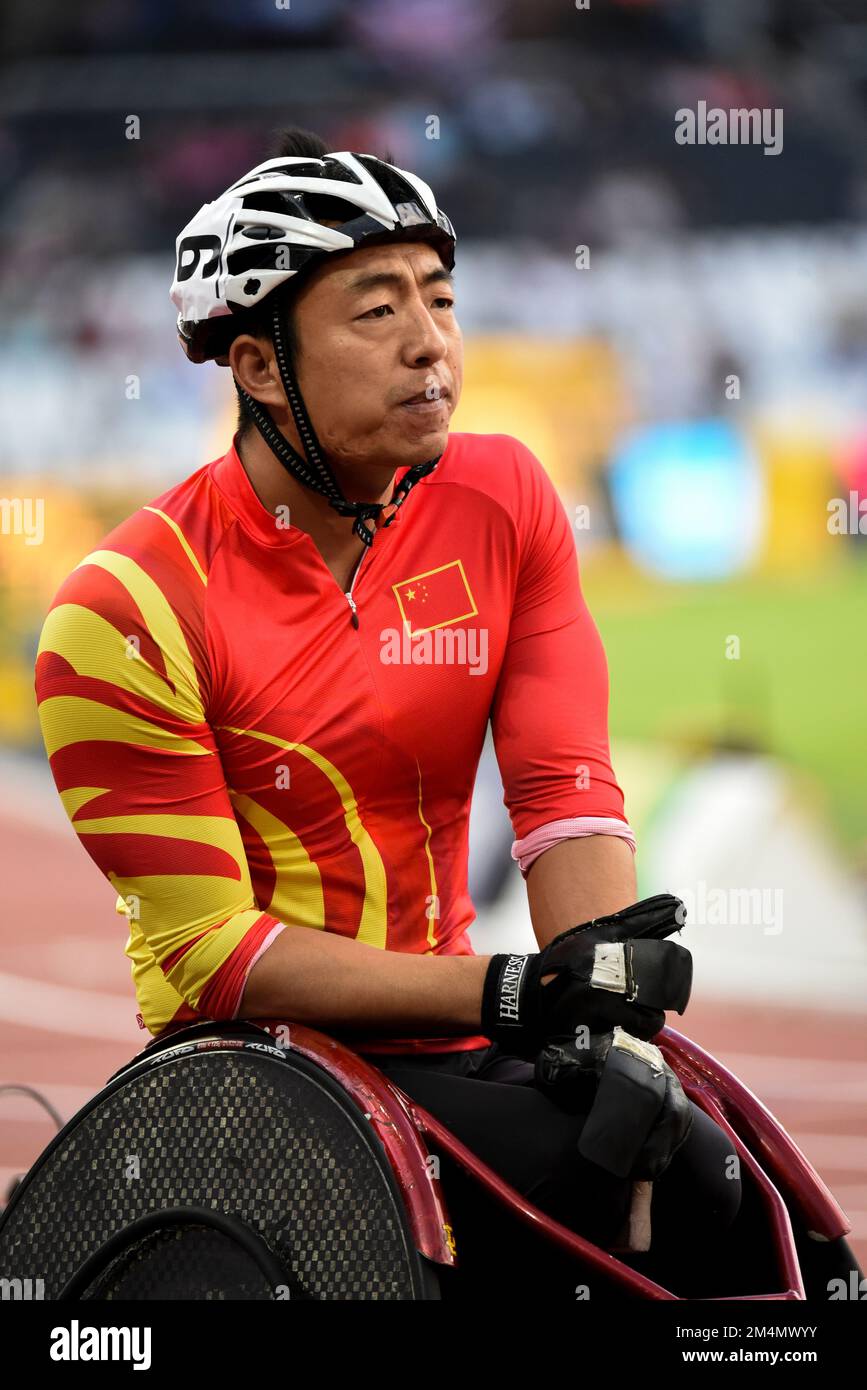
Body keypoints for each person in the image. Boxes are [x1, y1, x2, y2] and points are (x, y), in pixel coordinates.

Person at [33, 126, 740, 1295]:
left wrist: (606, 1008)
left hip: (472, 1036)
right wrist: (516, 991)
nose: (432, 346)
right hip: (255, 1073)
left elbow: (563, 789)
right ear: (259, 366)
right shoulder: (123, 608)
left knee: (722, 1202)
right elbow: (213, 954)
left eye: (442, 298)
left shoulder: (505, 494)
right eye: (375, 311)